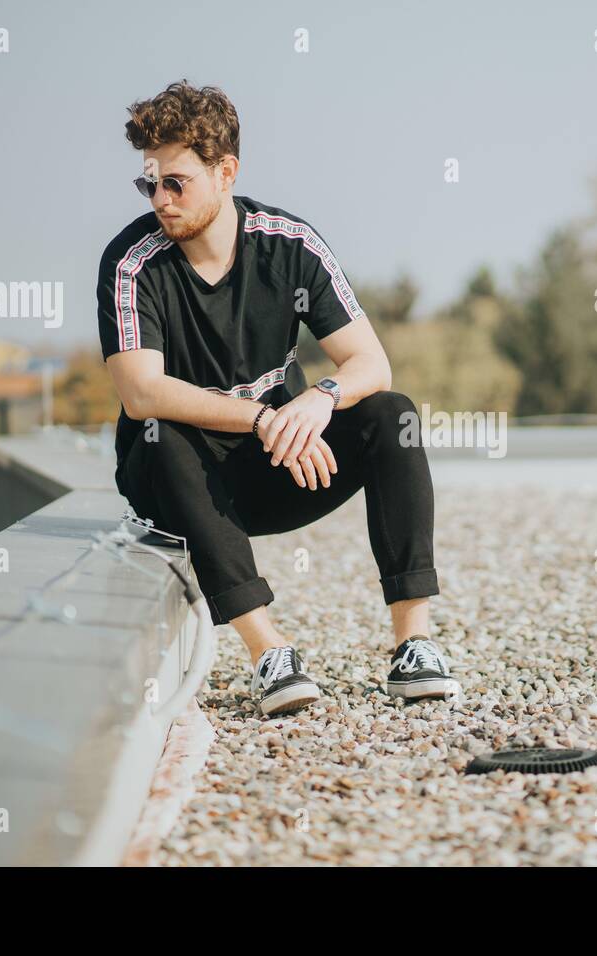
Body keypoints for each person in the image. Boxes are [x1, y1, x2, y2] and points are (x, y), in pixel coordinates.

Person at [96, 81, 459, 717]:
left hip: (276, 469)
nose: (160, 199)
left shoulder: (289, 244)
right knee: (162, 433)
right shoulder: (133, 263)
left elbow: (370, 362)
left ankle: (414, 645)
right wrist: (263, 415)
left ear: (225, 171)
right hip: (178, 486)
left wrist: (320, 397)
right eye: (148, 183)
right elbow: (140, 393)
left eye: (175, 182)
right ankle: (270, 652)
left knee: (391, 414)